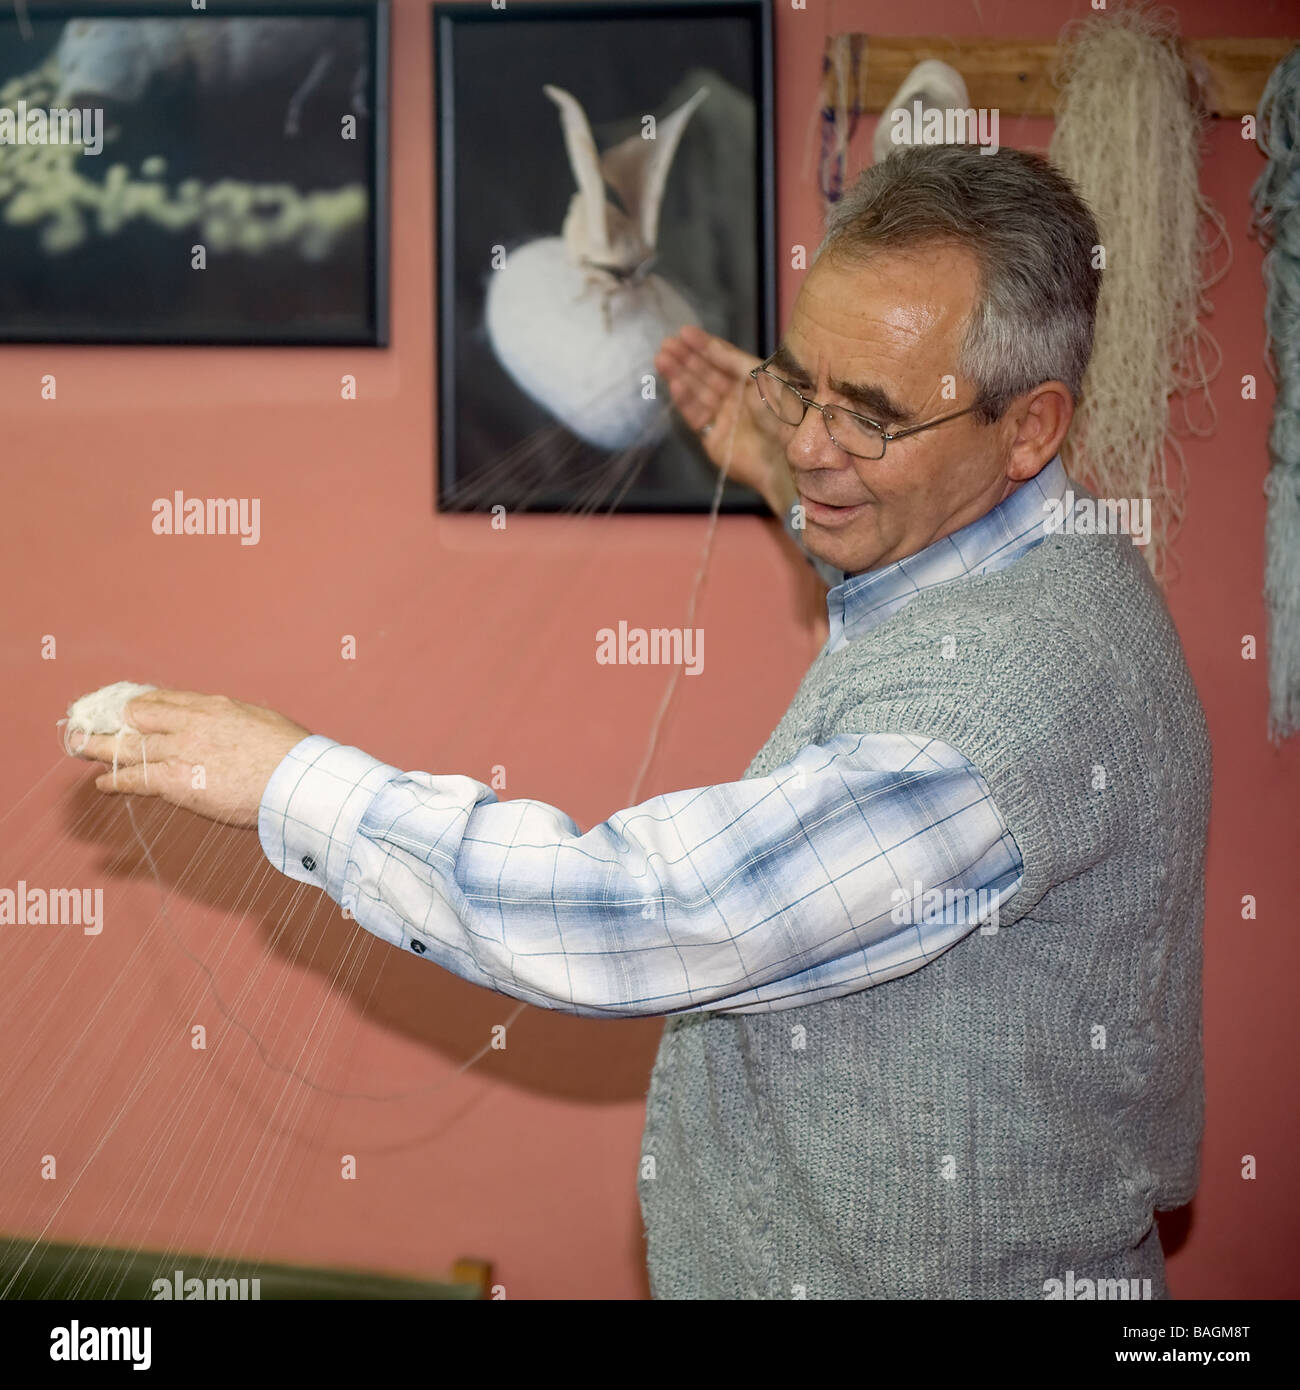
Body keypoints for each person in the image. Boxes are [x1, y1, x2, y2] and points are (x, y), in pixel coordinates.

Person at [71, 143, 1211, 1300]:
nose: (811, 440)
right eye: (798, 382)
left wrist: (288, 781)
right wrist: (812, 492)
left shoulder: (1002, 705)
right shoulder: (1027, 562)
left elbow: (648, 914)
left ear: (1029, 430)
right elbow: (923, 620)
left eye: (866, 416)